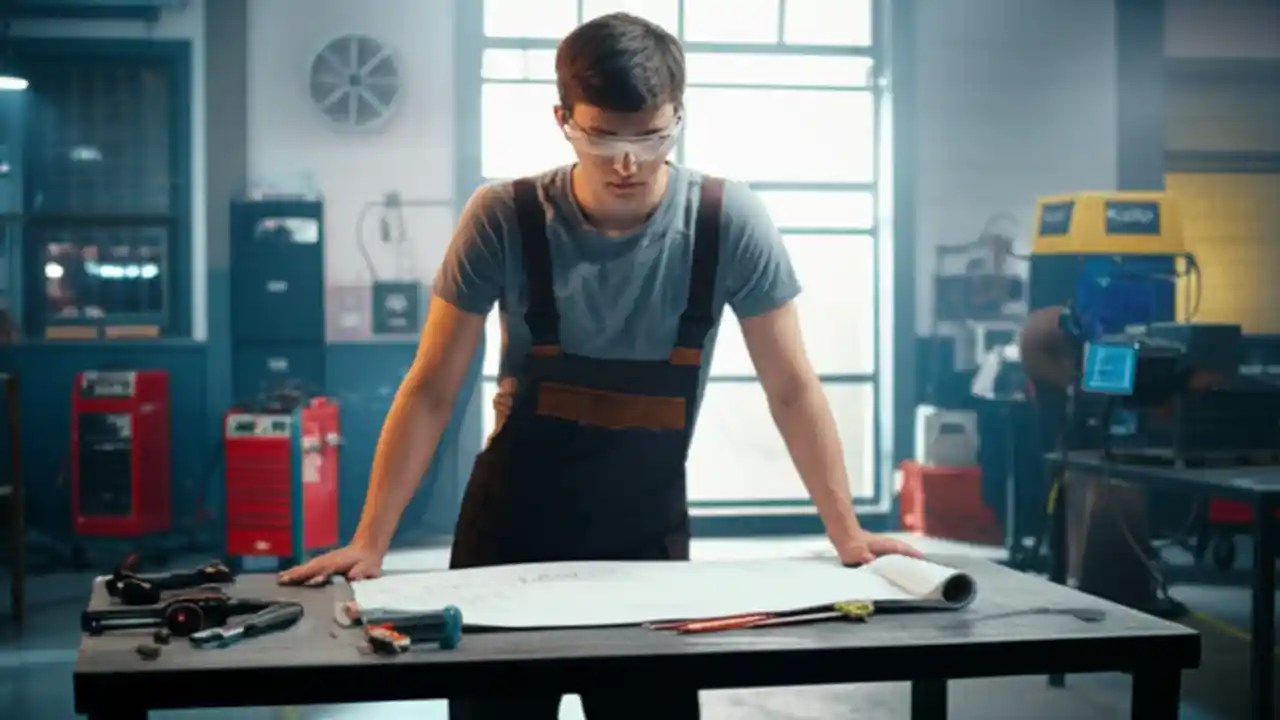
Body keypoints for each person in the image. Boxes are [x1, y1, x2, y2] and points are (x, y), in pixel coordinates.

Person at [280, 12, 920, 718]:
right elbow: (433, 388)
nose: (627, 161)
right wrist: (372, 541)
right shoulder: (503, 217)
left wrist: (847, 533)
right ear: (563, 118)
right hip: (508, 541)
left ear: (678, 116)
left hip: (643, 538)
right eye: (603, 135)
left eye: (650, 136)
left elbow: (793, 388)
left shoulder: (725, 222)